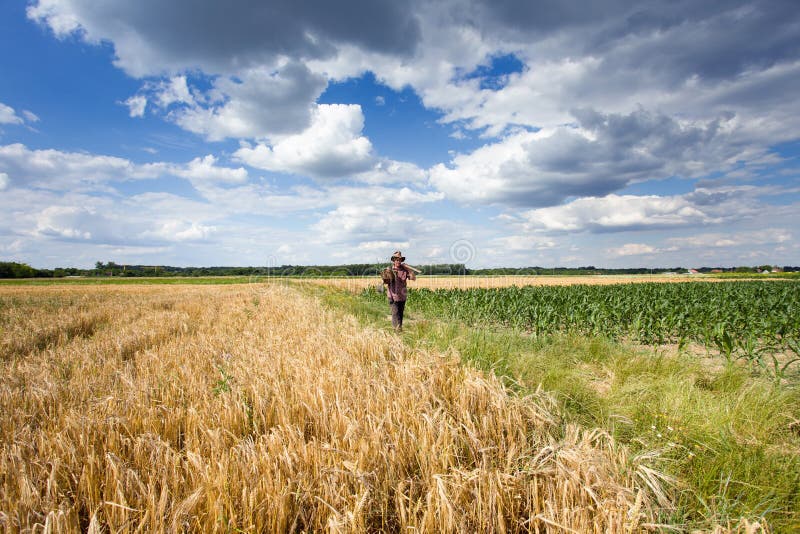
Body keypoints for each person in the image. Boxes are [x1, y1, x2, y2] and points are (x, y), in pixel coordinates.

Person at [386, 250, 416, 332]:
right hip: (392, 295)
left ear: (401, 261)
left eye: (399, 260)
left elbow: (413, 278)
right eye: (396, 260)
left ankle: (400, 329)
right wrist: (390, 274)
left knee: (400, 313)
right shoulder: (389, 269)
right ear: (393, 261)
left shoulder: (404, 270)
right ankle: (396, 330)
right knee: (395, 313)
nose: (398, 261)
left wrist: (409, 269)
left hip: (402, 295)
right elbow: (386, 281)